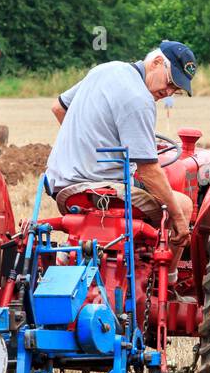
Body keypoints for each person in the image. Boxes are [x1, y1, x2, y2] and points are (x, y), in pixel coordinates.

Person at [46, 41, 196, 244]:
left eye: (176, 90)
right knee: (184, 205)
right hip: (105, 189)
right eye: (170, 83)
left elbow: (59, 107)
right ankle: (170, 275)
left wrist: (88, 144)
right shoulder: (140, 99)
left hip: (61, 185)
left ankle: (76, 254)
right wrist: (178, 217)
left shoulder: (104, 70)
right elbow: (148, 171)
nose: (169, 92)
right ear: (157, 62)